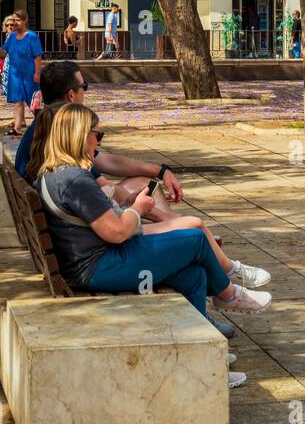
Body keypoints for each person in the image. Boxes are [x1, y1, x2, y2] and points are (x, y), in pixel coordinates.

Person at [34, 106, 272, 386]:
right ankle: (227, 293)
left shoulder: (54, 174)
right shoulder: (75, 180)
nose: (99, 142)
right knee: (194, 240)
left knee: (194, 275)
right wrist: (138, 208)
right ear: (78, 136)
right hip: (99, 266)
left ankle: (204, 361)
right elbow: (115, 233)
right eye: (96, 135)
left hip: (88, 262)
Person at [0, 9, 42, 135]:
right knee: (17, 101)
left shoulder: (32, 36)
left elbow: (38, 56)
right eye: (13, 20)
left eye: (18, 20)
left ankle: (44, 125)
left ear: (25, 21)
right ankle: (17, 128)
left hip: (29, 74)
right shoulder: (11, 36)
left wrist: (37, 73)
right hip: (14, 75)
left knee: (33, 103)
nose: (15, 23)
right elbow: (3, 54)